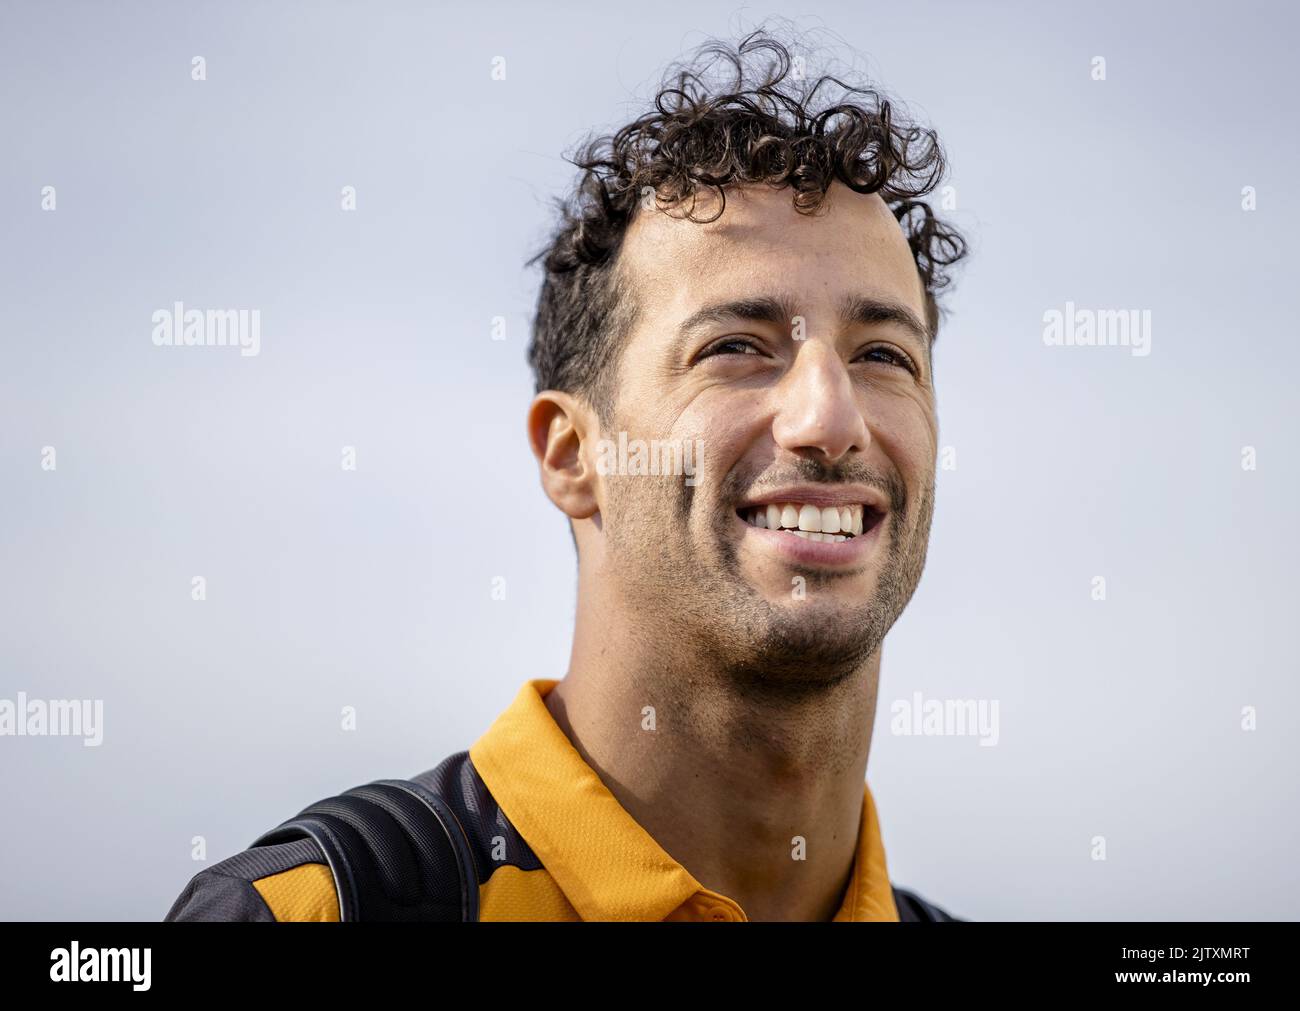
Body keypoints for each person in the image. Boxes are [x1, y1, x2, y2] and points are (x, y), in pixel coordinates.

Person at [165, 25, 969, 923]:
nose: (830, 418)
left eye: (885, 356)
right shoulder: (313, 911)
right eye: (736, 347)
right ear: (572, 455)